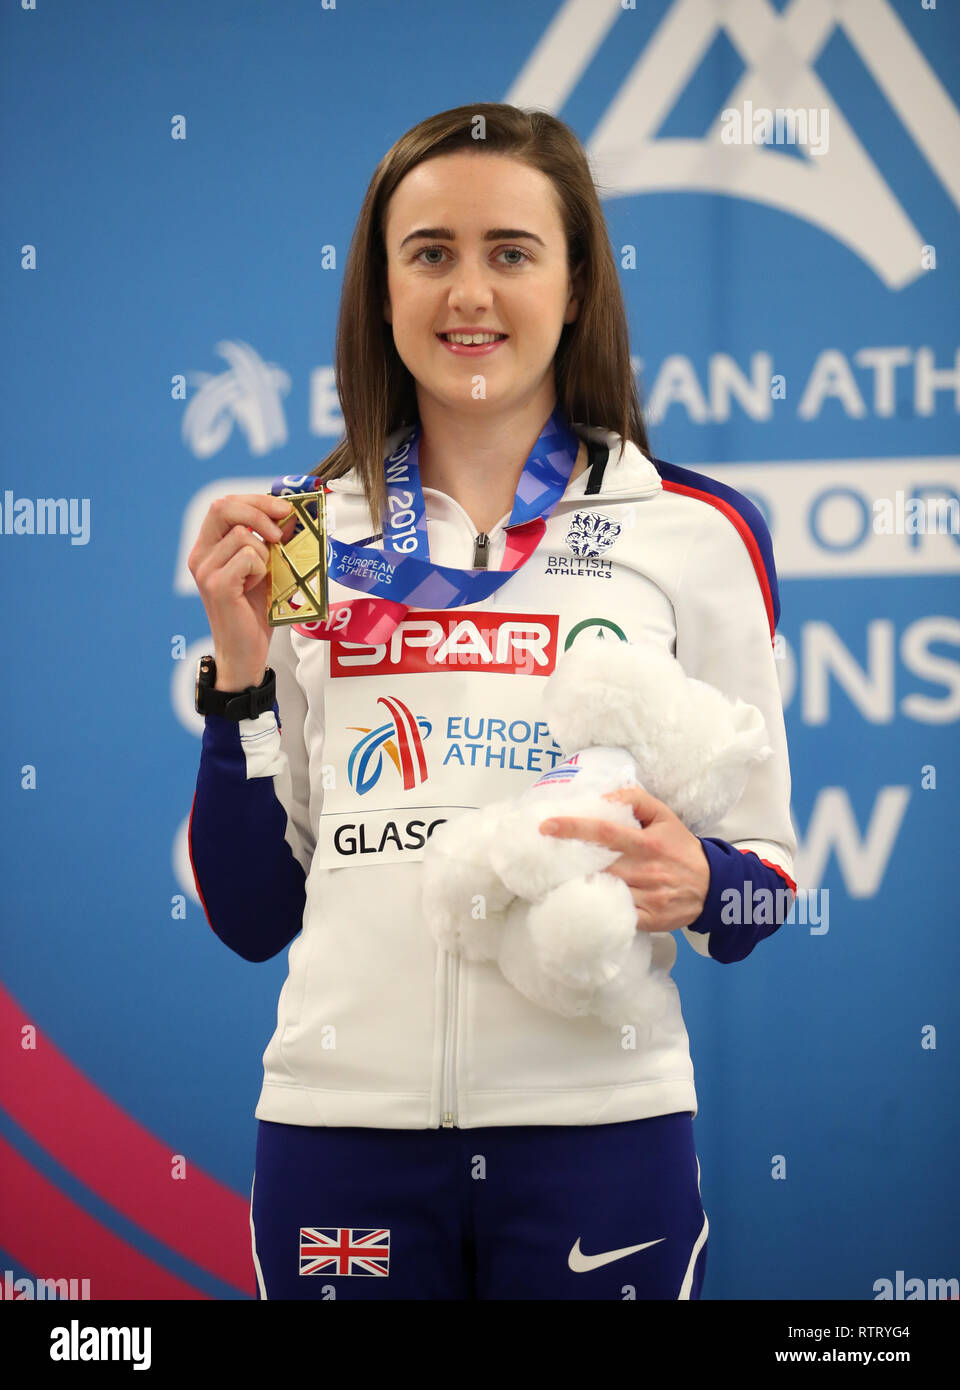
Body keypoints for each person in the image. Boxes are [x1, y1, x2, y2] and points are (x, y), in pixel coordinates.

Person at [187, 103, 796, 1301]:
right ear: (381, 289)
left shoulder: (698, 532)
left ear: (576, 289)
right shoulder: (299, 535)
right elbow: (254, 913)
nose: (469, 291)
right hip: (339, 1131)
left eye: (511, 252)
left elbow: (766, 883)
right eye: (431, 253)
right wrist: (241, 678)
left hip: (599, 1127)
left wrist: (704, 879)